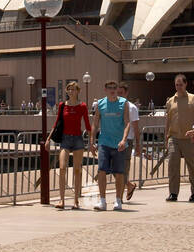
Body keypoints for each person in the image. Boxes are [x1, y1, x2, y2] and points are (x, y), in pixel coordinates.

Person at [91, 80, 130, 211]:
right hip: (104, 142)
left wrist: (124, 140)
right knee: (101, 171)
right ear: (105, 90)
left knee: (119, 173)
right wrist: (92, 141)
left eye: (114, 88)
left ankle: (118, 200)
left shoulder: (123, 103)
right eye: (110, 88)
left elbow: (127, 123)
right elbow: (95, 124)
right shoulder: (100, 104)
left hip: (119, 144)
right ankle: (102, 201)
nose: (113, 90)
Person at [53, 80, 92, 210]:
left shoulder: (82, 106)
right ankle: (62, 200)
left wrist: (92, 142)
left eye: (73, 89)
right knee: (62, 168)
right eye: (69, 89)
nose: (70, 91)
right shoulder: (62, 105)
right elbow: (57, 122)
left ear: (78, 91)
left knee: (77, 170)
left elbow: (87, 125)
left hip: (77, 139)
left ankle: (76, 200)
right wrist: (48, 139)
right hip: (65, 139)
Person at [165, 74, 194, 202]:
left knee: (192, 167)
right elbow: (168, 121)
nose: (178, 87)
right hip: (174, 138)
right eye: (176, 84)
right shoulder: (170, 101)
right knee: (173, 166)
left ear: (186, 84)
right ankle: (173, 193)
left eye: (181, 84)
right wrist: (166, 137)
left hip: (189, 138)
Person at [120, 82, 141, 201]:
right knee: (113, 168)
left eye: (121, 93)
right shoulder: (115, 106)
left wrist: (138, 145)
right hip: (115, 139)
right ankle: (129, 185)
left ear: (126, 93)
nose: (119, 95)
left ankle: (120, 197)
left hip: (127, 140)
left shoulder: (132, 108)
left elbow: (136, 128)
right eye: (118, 93)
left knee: (123, 169)